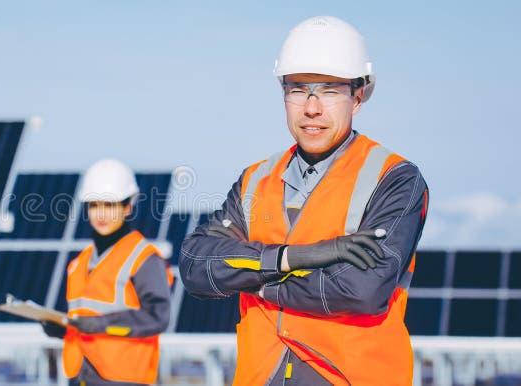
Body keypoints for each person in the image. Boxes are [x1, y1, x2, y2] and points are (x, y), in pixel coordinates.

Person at [179, 16, 429, 385]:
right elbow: (196, 265)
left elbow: (361, 290)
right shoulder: (254, 180)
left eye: (329, 90)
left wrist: (252, 279)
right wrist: (287, 259)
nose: (311, 108)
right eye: (298, 89)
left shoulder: (394, 179)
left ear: (357, 97)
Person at [41, 158, 173, 386]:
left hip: (123, 379)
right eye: (94, 205)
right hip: (80, 376)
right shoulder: (79, 263)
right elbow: (83, 321)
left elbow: (158, 317)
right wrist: (64, 329)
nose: (101, 214)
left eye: (109, 205)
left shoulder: (143, 258)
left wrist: (99, 325)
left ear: (127, 206)